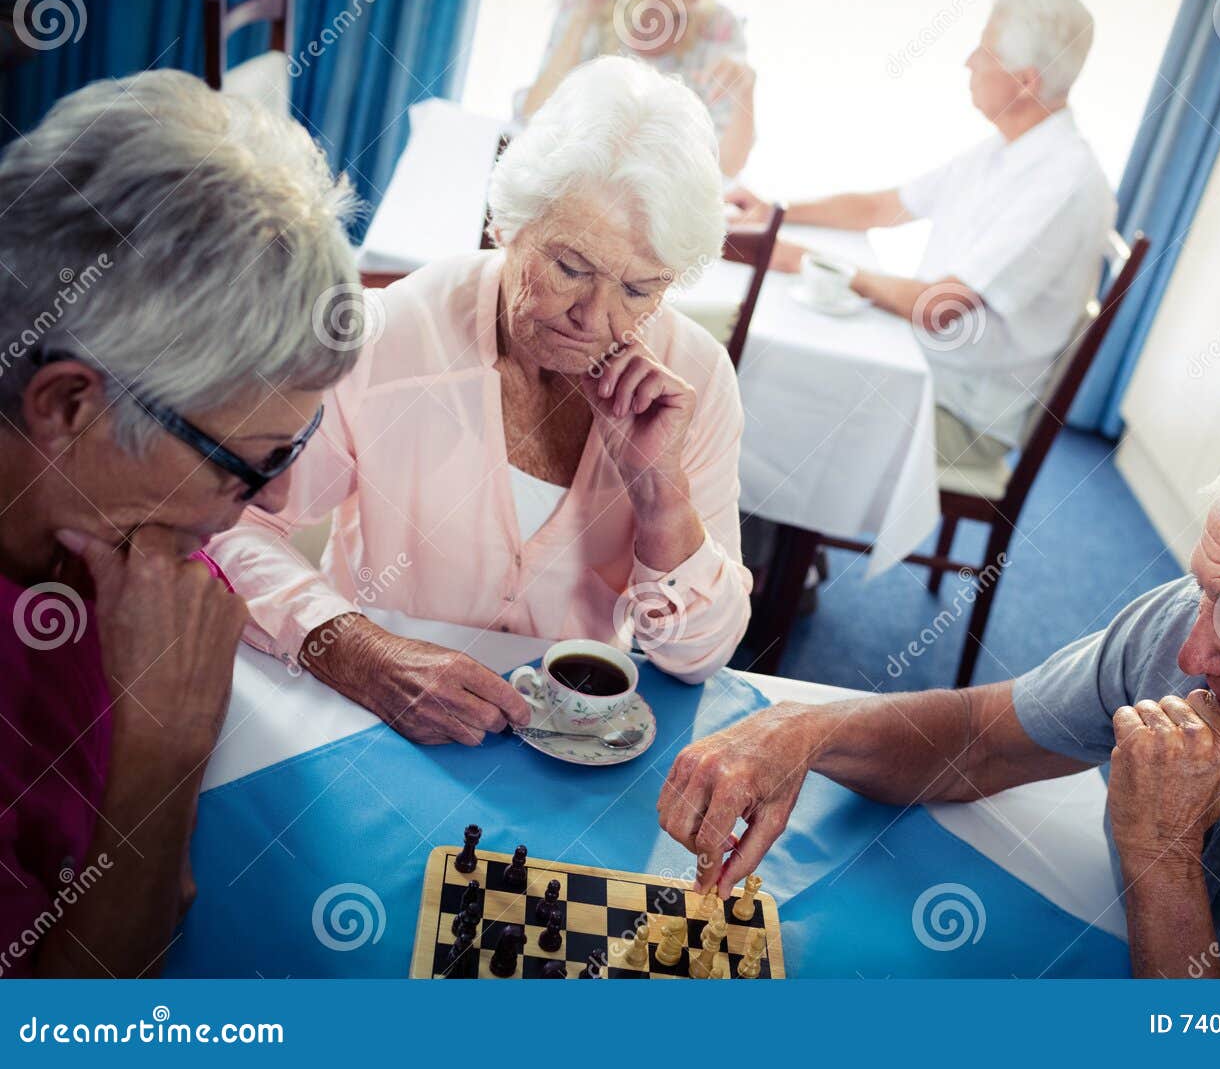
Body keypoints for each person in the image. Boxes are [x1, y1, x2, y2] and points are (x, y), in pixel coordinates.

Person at [658, 418, 1220, 977]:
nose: (1191, 652)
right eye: (1206, 594)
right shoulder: (1197, 626)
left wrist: (1161, 855)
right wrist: (805, 727)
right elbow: (982, 737)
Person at [207, 57, 752, 747]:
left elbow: (700, 654)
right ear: (506, 221)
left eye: (639, 290)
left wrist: (659, 495)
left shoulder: (693, 378)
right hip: (373, 719)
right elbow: (232, 524)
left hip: (570, 750)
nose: (596, 316)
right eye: (570, 267)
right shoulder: (389, 335)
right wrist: (358, 650)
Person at [0, 70, 363, 976]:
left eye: (295, 445)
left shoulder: (116, 533)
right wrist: (163, 761)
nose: (277, 501)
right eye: (251, 460)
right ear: (70, 403)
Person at [728, 0, 1113, 469]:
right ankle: (782, 539)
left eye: (985, 50)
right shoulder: (1010, 146)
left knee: (765, 389)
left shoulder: (1063, 183)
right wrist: (775, 210)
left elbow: (940, 307)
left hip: (958, 408)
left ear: (1025, 82)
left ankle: (777, 541)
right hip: (925, 363)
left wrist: (808, 261)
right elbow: (883, 208)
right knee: (769, 368)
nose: (968, 61)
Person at [514, 0, 756, 177]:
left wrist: (745, 90)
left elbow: (726, 168)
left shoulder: (718, 28)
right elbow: (534, 119)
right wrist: (583, 16)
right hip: (578, 184)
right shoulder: (588, 5)